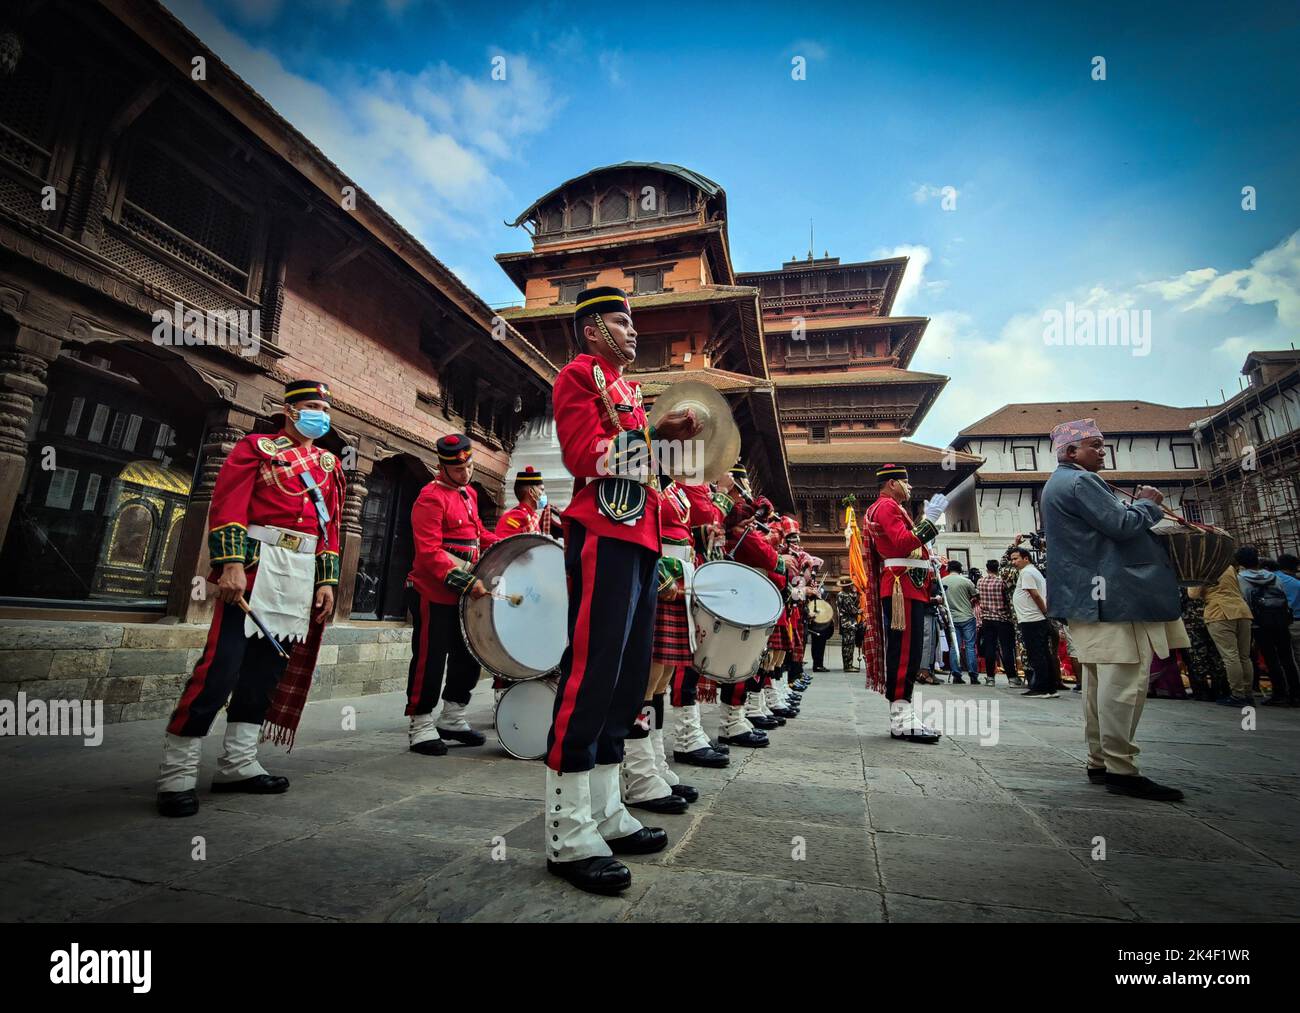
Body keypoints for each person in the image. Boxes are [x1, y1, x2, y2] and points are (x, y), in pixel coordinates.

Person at [543, 285, 701, 895]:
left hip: (639, 535)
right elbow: (587, 454)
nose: (633, 332)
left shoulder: (630, 390)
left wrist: (661, 437)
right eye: (620, 322)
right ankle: (566, 829)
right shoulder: (579, 376)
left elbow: (644, 468)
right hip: (601, 528)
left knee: (629, 676)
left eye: (633, 323)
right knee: (591, 672)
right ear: (591, 330)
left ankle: (607, 810)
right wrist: (657, 433)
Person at [156, 380, 343, 818]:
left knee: (265, 673)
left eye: (324, 408)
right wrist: (230, 564)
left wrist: (326, 581)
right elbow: (229, 504)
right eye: (312, 406)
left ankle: (238, 763)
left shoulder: (329, 464)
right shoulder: (257, 448)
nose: (320, 414)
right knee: (219, 670)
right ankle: (176, 774)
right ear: (290, 410)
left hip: (298, 576)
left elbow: (329, 529)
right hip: (257, 568)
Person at [1040, 418, 1188, 802]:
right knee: (1123, 681)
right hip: (1109, 594)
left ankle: (1100, 760)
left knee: (1098, 682)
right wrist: (1148, 504)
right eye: (1095, 445)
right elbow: (1121, 524)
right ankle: (1121, 767)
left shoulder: (1058, 484)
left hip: (1087, 593)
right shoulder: (1080, 481)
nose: (1103, 451)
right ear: (1071, 452)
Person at [405, 433, 498, 755]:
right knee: (430, 659)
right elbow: (429, 553)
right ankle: (420, 723)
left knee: (469, 655)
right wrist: (467, 583)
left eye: (470, 466)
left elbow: (477, 535)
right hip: (435, 593)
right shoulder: (429, 497)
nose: (466, 473)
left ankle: (453, 717)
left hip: (465, 594)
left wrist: (508, 545)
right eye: (458, 470)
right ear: (441, 467)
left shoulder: (469, 494)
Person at [620, 480, 696, 815]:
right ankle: (637, 772)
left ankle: (655, 762)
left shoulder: (672, 487)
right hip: (658, 574)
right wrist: (663, 573)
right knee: (645, 682)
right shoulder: (644, 475)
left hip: (678, 578)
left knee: (663, 678)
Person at [863, 464, 948, 742]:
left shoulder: (889, 507)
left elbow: (905, 546)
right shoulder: (887, 507)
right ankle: (901, 716)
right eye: (905, 482)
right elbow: (901, 543)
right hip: (902, 586)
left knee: (909, 651)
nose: (909, 488)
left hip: (907, 584)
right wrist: (929, 521)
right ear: (891, 484)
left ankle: (904, 713)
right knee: (904, 653)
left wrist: (926, 554)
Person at [1237, 546, 1299, 705]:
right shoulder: (1274, 577)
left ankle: (1280, 693)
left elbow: (1243, 600)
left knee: (1271, 658)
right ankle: (1296, 693)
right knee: (1287, 657)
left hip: (1259, 623)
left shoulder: (1240, 579)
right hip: (1280, 620)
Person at [1188, 562, 1255, 705]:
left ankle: (1238, 694)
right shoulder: (1228, 566)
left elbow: (1193, 594)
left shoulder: (1202, 566)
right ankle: (1248, 693)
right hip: (1242, 610)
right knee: (1244, 656)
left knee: (1230, 655)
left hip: (1219, 612)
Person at [1009, 547, 1059, 698]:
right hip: (1035, 618)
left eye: (1016, 558)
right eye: (1012, 559)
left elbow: (1035, 595)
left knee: (1036, 654)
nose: (1013, 562)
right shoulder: (1032, 571)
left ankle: (1042, 687)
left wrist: (1044, 612)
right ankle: (1050, 687)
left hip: (1032, 619)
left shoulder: (1027, 573)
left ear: (1026, 558)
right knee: (1043, 652)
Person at [977, 558, 1017, 686]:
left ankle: (990, 677)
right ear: (997, 568)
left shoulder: (980, 581)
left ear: (987, 568)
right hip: (1002, 618)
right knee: (1006, 648)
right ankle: (1011, 677)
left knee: (990, 647)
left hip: (987, 618)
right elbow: (1007, 598)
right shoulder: (1001, 582)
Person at [940, 560, 979, 684]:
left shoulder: (943, 581)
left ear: (948, 569)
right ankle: (973, 675)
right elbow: (975, 596)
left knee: (954, 646)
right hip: (967, 616)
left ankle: (957, 674)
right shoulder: (966, 581)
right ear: (960, 569)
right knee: (970, 646)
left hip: (952, 618)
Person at [494, 466, 549, 537]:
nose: (543, 494)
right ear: (531, 492)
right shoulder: (517, 516)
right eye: (541, 490)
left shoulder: (532, 516)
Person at [1277, 553, 1300, 684]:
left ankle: (1292, 687)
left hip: (1284, 623)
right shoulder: (1297, 582)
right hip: (1297, 621)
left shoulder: (1276, 579)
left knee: (1285, 658)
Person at [835, 577, 861, 672]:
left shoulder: (839, 594)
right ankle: (848, 666)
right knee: (849, 646)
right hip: (849, 623)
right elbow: (851, 610)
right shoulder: (845, 596)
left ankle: (848, 665)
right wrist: (859, 611)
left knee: (846, 645)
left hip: (844, 622)